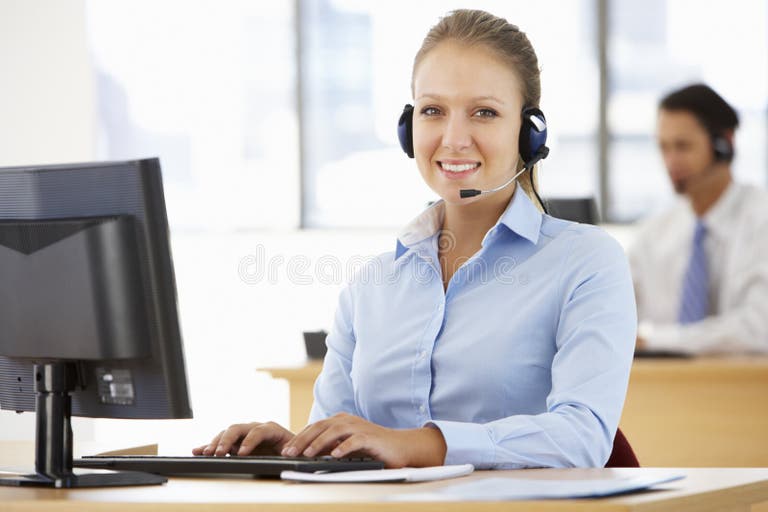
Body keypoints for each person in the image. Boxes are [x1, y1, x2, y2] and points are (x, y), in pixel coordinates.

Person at [193, 9, 636, 469]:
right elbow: (343, 439)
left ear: (528, 132)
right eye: (433, 111)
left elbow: (582, 438)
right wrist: (296, 449)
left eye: (484, 112)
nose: (454, 138)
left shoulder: (585, 262)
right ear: (408, 129)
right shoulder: (371, 286)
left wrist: (421, 446)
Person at [630, 84, 768, 354]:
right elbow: (612, 308)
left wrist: (656, 342)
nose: (671, 162)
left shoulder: (761, 221)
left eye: (682, 146)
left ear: (723, 145)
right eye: (664, 148)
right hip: (663, 390)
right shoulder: (654, 233)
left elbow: (759, 329)